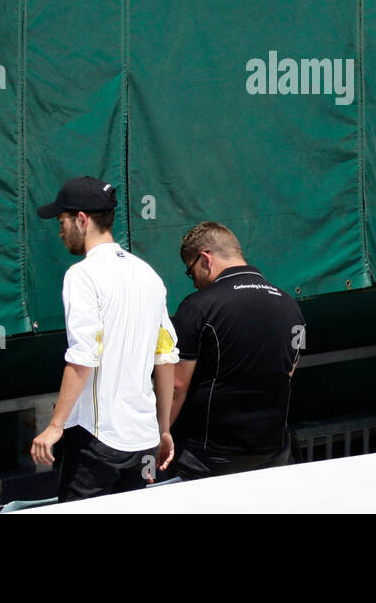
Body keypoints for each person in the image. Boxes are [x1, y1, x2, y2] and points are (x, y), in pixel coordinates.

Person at [31, 176, 180, 501]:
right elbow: (166, 355)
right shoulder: (148, 274)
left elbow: (83, 355)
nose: (59, 231)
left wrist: (56, 426)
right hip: (144, 438)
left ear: (82, 220)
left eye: (62, 221)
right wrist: (164, 428)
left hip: (98, 441)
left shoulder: (81, 276)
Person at [168, 221, 305, 480]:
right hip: (273, 453)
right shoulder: (291, 306)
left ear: (205, 259)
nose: (194, 282)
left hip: (209, 460)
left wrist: (159, 434)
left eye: (191, 272)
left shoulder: (196, 307)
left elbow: (176, 386)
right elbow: (287, 372)